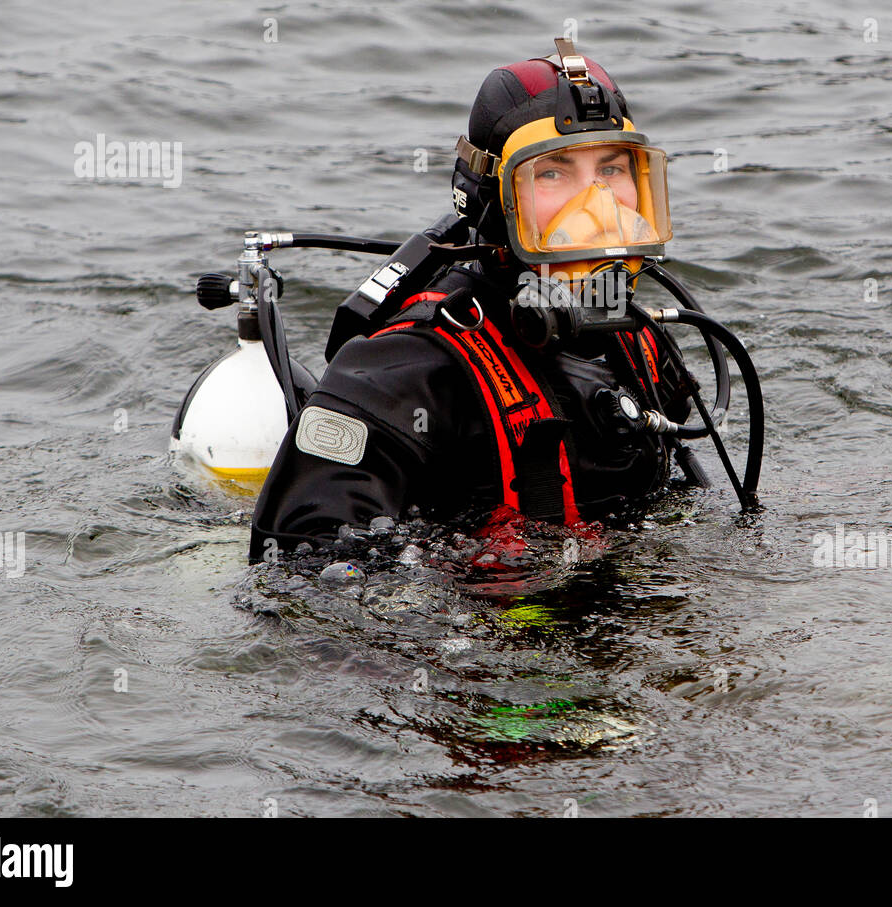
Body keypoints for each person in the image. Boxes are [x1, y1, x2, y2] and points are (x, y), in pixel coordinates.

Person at [248, 38, 696, 564]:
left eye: (612, 170)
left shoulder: (643, 341)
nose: (597, 206)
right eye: (553, 173)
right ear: (493, 200)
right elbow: (300, 579)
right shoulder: (403, 374)